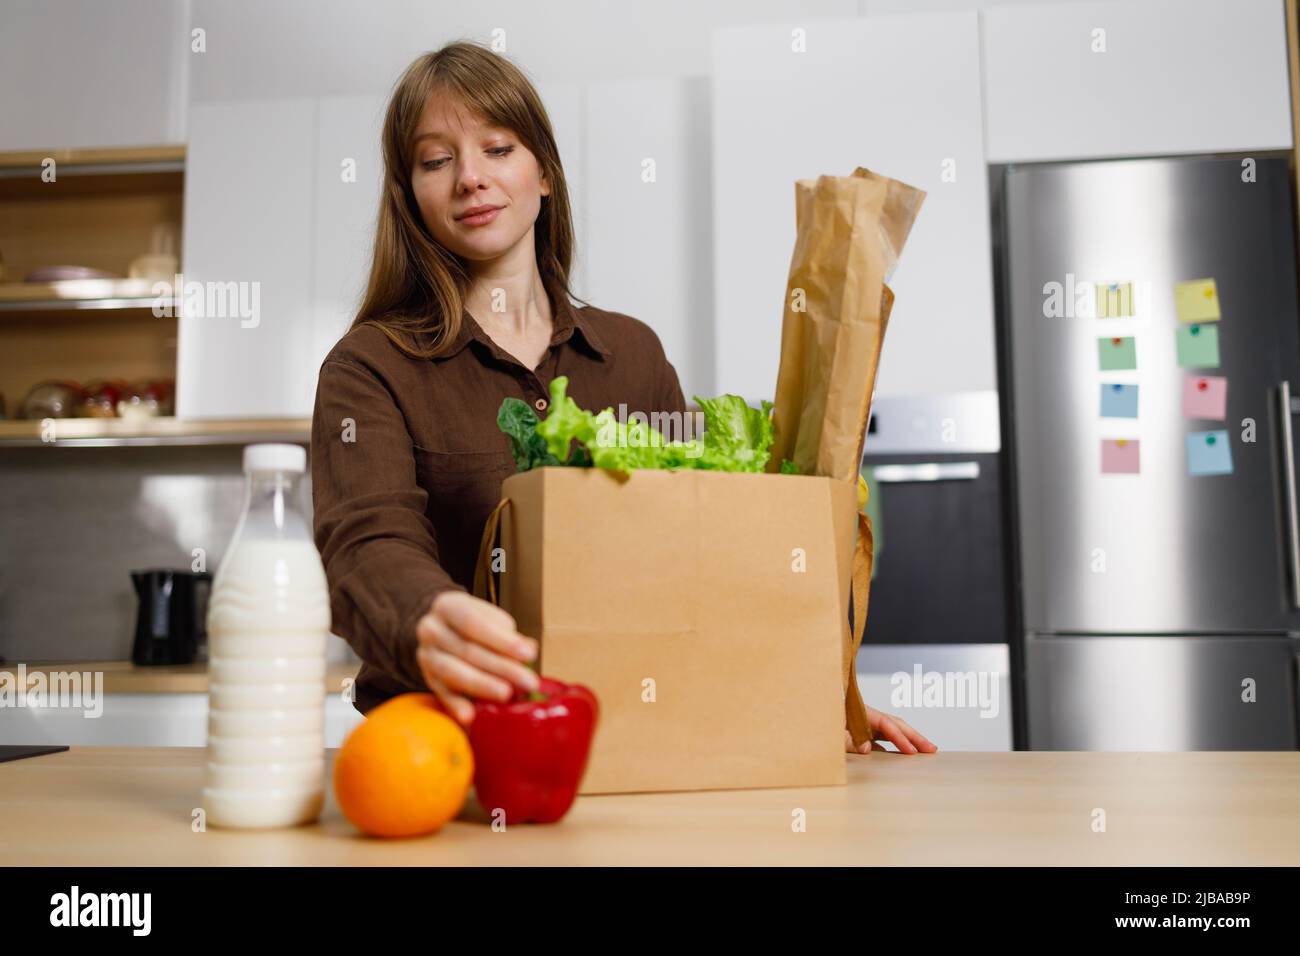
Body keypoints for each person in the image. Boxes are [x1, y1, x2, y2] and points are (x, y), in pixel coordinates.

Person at [311, 41, 936, 756]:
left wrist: (815, 693)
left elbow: (715, 554)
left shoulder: (633, 354)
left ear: (542, 172)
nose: (471, 179)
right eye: (435, 160)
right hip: (443, 749)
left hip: (634, 739)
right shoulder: (369, 368)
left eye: (498, 147)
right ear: (410, 196)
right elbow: (364, 543)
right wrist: (429, 615)